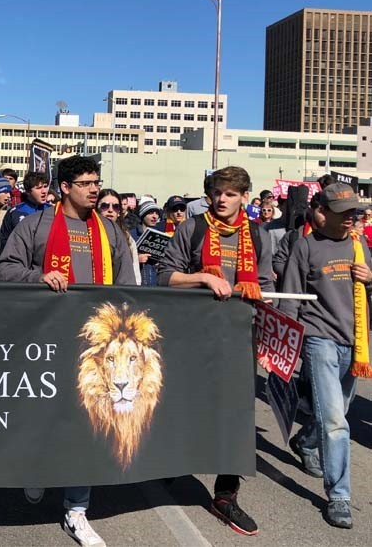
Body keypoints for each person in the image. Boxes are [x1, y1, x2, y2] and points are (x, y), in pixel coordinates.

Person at [0, 155, 135, 547]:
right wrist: (39, 277)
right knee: (42, 415)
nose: (95, 189)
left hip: (95, 348)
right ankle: (38, 469)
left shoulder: (110, 231)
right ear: (65, 188)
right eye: (87, 182)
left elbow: (126, 287)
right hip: (44, 342)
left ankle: (77, 509)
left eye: (97, 181)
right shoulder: (35, 225)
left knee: (86, 425)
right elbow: (5, 269)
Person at [157, 166, 273, 537]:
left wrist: (260, 301)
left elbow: (268, 283)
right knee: (187, 403)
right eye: (217, 192)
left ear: (244, 198)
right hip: (193, 334)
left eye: (231, 194)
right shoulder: (192, 229)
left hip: (240, 335)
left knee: (235, 414)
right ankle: (174, 462)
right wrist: (204, 278)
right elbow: (165, 275)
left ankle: (226, 495)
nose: (223, 199)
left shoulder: (257, 234)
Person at [280, 183, 372, 529]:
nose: (353, 216)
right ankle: (339, 496)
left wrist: (370, 276)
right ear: (326, 212)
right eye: (345, 210)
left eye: (354, 210)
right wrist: (283, 348)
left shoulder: (360, 244)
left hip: (356, 340)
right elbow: (289, 297)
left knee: (337, 413)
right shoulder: (305, 246)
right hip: (319, 340)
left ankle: (305, 441)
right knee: (336, 422)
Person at [97, 189, 141, 284]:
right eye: (105, 206)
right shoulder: (90, 231)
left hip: (118, 291)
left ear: (119, 212)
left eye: (116, 207)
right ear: (97, 208)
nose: (110, 210)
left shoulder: (127, 237)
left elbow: (135, 271)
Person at [0, 171, 51, 249]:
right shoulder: (15, 212)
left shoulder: (53, 211)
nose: (44, 191)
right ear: (28, 191)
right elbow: (4, 241)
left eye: (45, 186)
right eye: (38, 188)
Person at [132, 199, 163, 287]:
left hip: (155, 284)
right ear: (143, 215)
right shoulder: (131, 235)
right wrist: (136, 260)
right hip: (137, 284)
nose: (155, 216)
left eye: (157, 213)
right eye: (151, 213)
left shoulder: (160, 235)